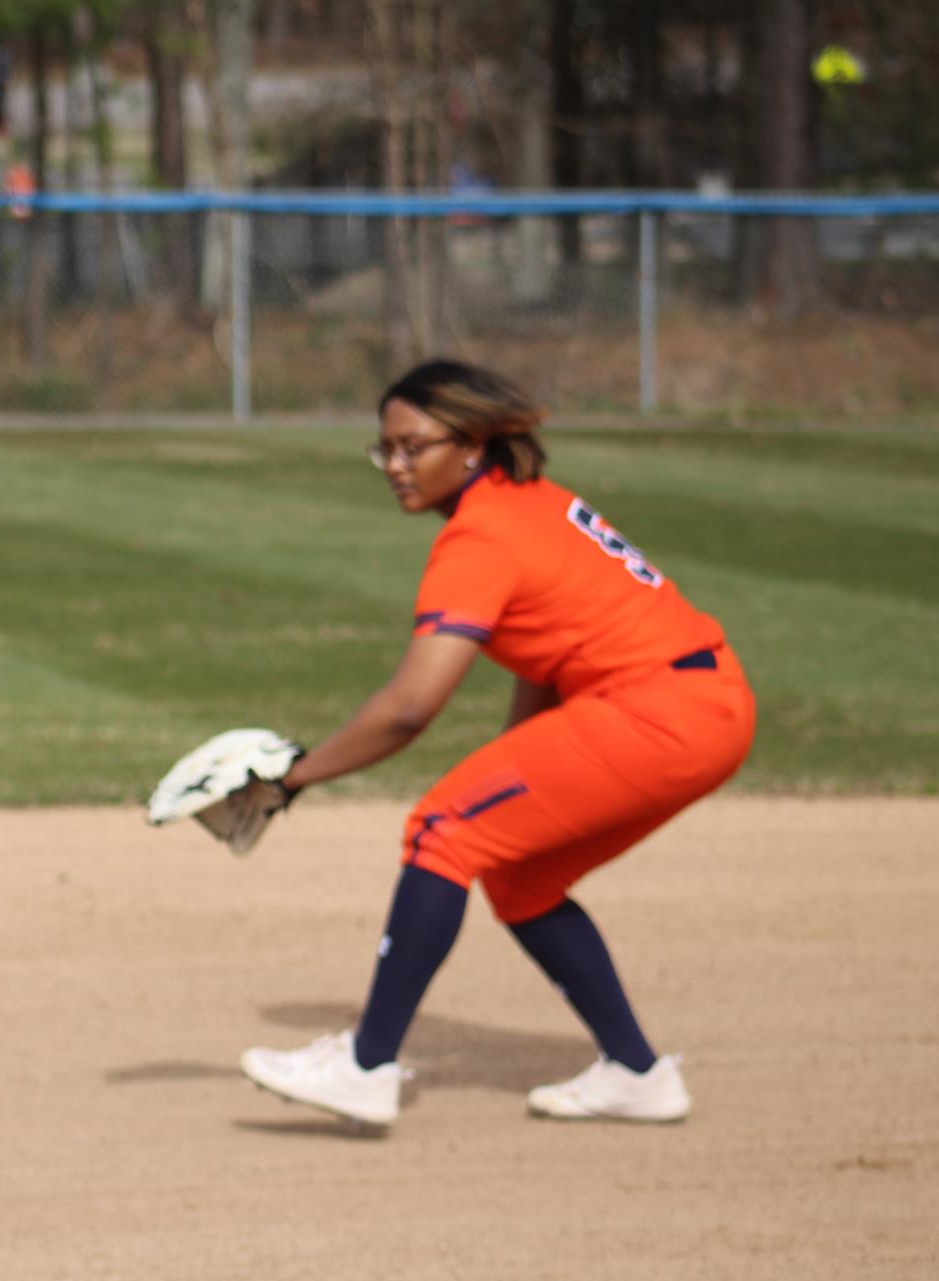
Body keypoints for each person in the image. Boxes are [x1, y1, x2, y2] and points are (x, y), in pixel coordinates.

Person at [241, 360, 756, 1129]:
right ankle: (636, 1072)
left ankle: (365, 1065)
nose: (395, 466)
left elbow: (410, 707)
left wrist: (290, 779)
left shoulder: (481, 538)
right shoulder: (532, 504)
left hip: (658, 711)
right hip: (705, 705)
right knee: (518, 876)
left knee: (441, 830)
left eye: (414, 446)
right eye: (384, 449)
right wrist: (518, 769)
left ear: (474, 444)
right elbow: (550, 660)